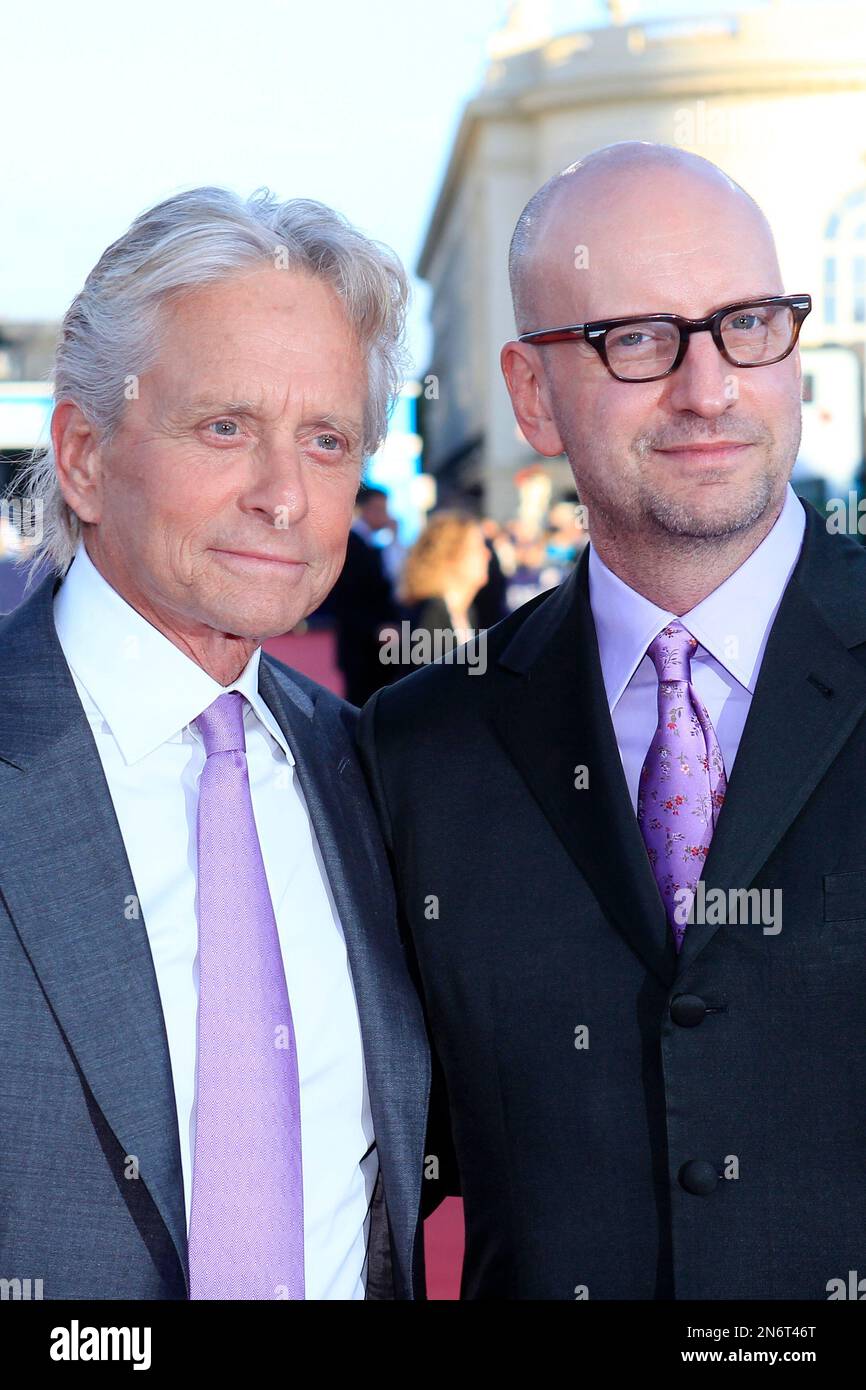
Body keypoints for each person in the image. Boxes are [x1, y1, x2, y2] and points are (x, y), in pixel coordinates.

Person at [358, 141, 866, 1299]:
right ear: (531, 394)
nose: (706, 387)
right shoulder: (416, 748)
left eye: (745, 323)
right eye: (635, 338)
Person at [0, 186, 430, 1300]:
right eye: (225, 427)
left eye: (326, 440)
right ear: (85, 455)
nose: (283, 495)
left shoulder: (377, 779)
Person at [328, 484, 400, 704]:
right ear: (364, 510)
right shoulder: (353, 545)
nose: (385, 516)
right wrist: (375, 628)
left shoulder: (368, 544)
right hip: (362, 645)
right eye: (379, 509)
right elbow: (349, 599)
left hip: (369, 644)